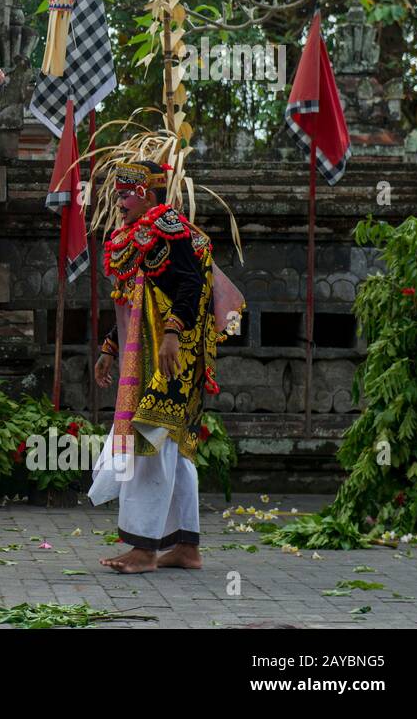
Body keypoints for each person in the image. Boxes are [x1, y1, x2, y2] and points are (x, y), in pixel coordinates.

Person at [90, 159, 241, 574]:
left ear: (147, 194)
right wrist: (109, 347)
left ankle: (142, 550)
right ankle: (185, 546)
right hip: (160, 352)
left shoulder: (167, 227)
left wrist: (173, 333)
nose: (118, 203)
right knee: (169, 446)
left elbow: (190, 283)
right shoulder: (146, 233)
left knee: (148, 441)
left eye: (124, 194)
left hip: (174, 355)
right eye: (117, 194)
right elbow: (136, 297)